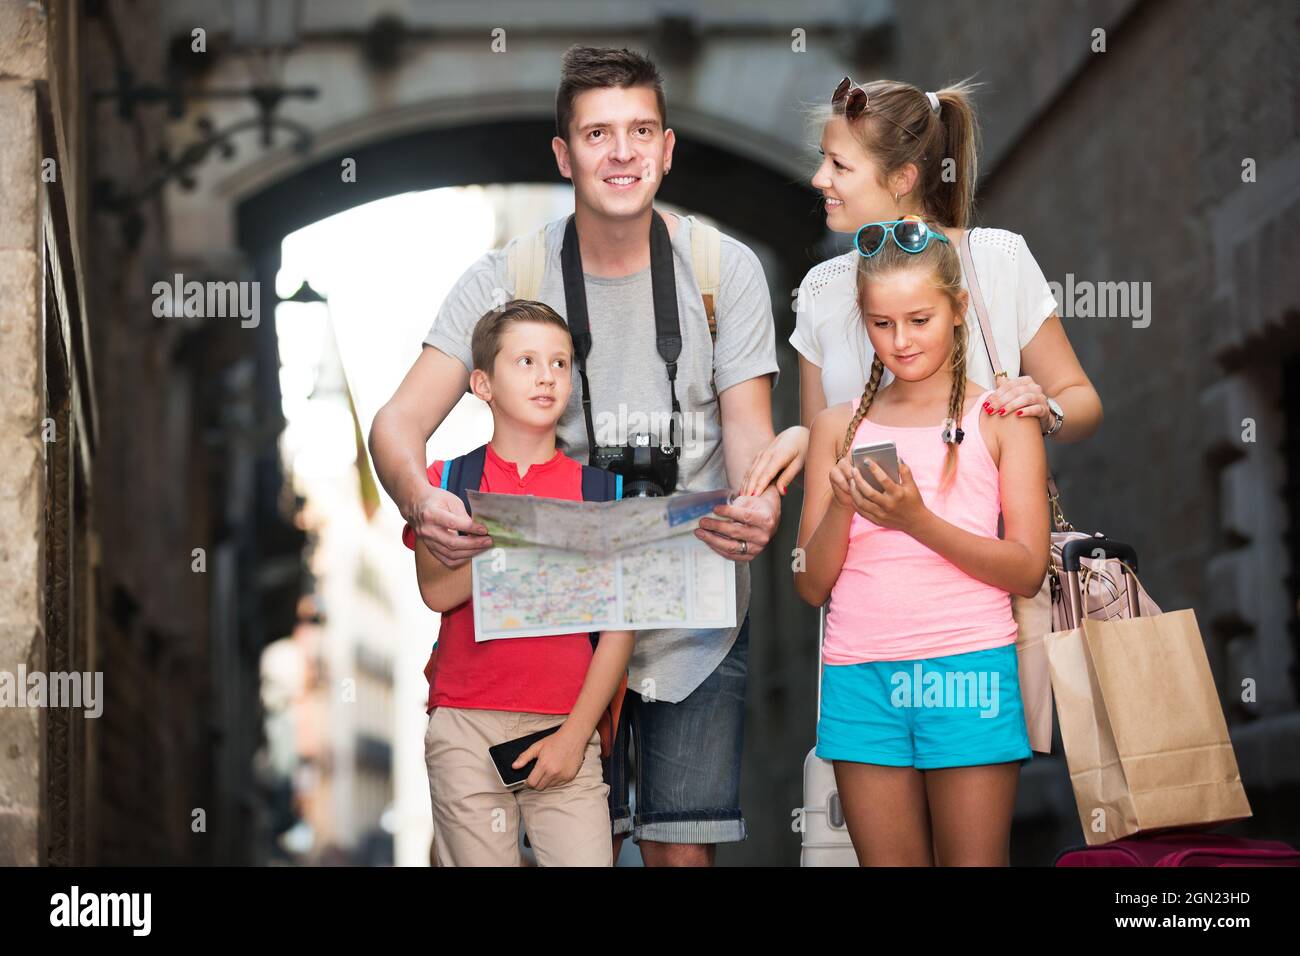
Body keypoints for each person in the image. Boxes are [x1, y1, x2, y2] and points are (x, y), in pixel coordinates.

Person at [371, 46, 781, 866]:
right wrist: (425, 502)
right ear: (564, 155)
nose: (622, 152)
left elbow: (749, 427)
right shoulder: (505, 276)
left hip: (687, 614)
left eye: (640, 131)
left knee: (680, 853)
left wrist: (760, 496)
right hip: (542, 628)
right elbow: (396, 425)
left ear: (668, 148)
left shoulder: (720, 269)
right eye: (598, 133)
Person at [794, 220, 1050, 866]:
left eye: (919, 319)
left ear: (958, 309)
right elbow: (808, 583)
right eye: (882, 324)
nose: (901, 341)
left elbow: (1025, 570)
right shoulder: (834, 426)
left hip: (970, 670)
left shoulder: (1002, 420)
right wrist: (844, 509)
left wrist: (917, 520)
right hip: (859, 678)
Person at [741, 76, 1100, 498]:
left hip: (987, 547)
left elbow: (1081, 400)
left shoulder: (997, 257)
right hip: (869, 555)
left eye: (839, 165)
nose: (819, 178)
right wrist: (804, 439)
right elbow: (824, 464)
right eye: (824, 160)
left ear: (901, 179)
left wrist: (1045, 411)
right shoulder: (819, 288)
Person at [407, 300, 634, 866]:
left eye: (560, 364)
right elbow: (436, 592)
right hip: (464, 724)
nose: (546, 376)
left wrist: (574, 735)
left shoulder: (603, 494)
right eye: (527, 360)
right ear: (482, 383)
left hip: (565, 726)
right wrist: (523, 541)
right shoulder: (448, 482)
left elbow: (621, 631)